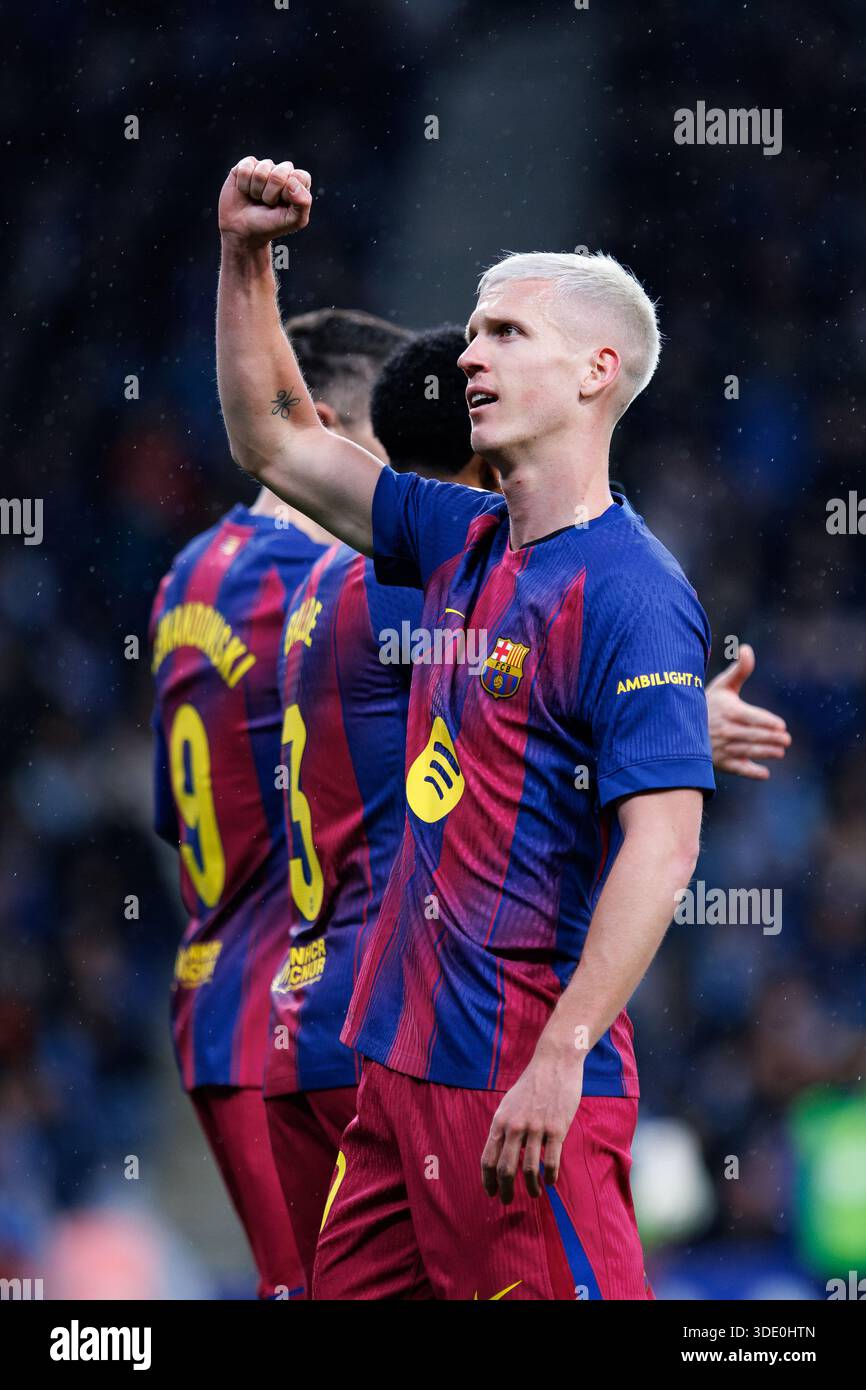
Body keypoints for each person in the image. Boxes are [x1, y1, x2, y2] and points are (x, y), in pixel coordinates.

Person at [214, 155, 782, 1299]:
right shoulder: (459, 538)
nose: (468, 356)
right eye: (471, 334)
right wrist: (243, 257)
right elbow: (276, 441)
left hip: (516, 1077)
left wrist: (562, 1054)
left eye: (505, 333)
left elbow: (663, 846)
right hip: (394, 1070)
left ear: (595, 372)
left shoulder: (630, 589)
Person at [150, 304, 406, 1298]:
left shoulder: (187, 577)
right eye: (395, 443)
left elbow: (179, 815)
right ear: (328, 430)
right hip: (294, 1013)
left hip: (213, 993)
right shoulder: (329, 582)